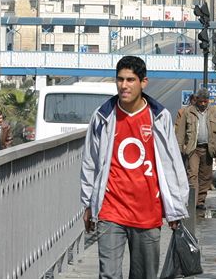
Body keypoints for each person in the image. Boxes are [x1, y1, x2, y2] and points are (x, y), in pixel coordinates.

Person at [80, 55, 189, 279]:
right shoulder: (102, 117)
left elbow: (171, 163)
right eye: (120, 79)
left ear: (143, 82)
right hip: (111, 210)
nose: (124, 85)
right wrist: (88, 203)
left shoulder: (159, 117)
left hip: (147, 212)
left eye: (130, 80)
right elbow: (90, 161)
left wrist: (176, 207)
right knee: (108, 274)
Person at [176, 90, 216, 211]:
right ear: (197, 100)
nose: (203, 104)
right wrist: (179, 148)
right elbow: (181, 132)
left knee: (205, 176)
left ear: (208, 100)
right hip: (193, 149)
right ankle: (192, 201)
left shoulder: (214, 112)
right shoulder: (188, 112)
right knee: (192, 174)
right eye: (201, 101)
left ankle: (200, 201)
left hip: (208, 148)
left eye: (205, 101)